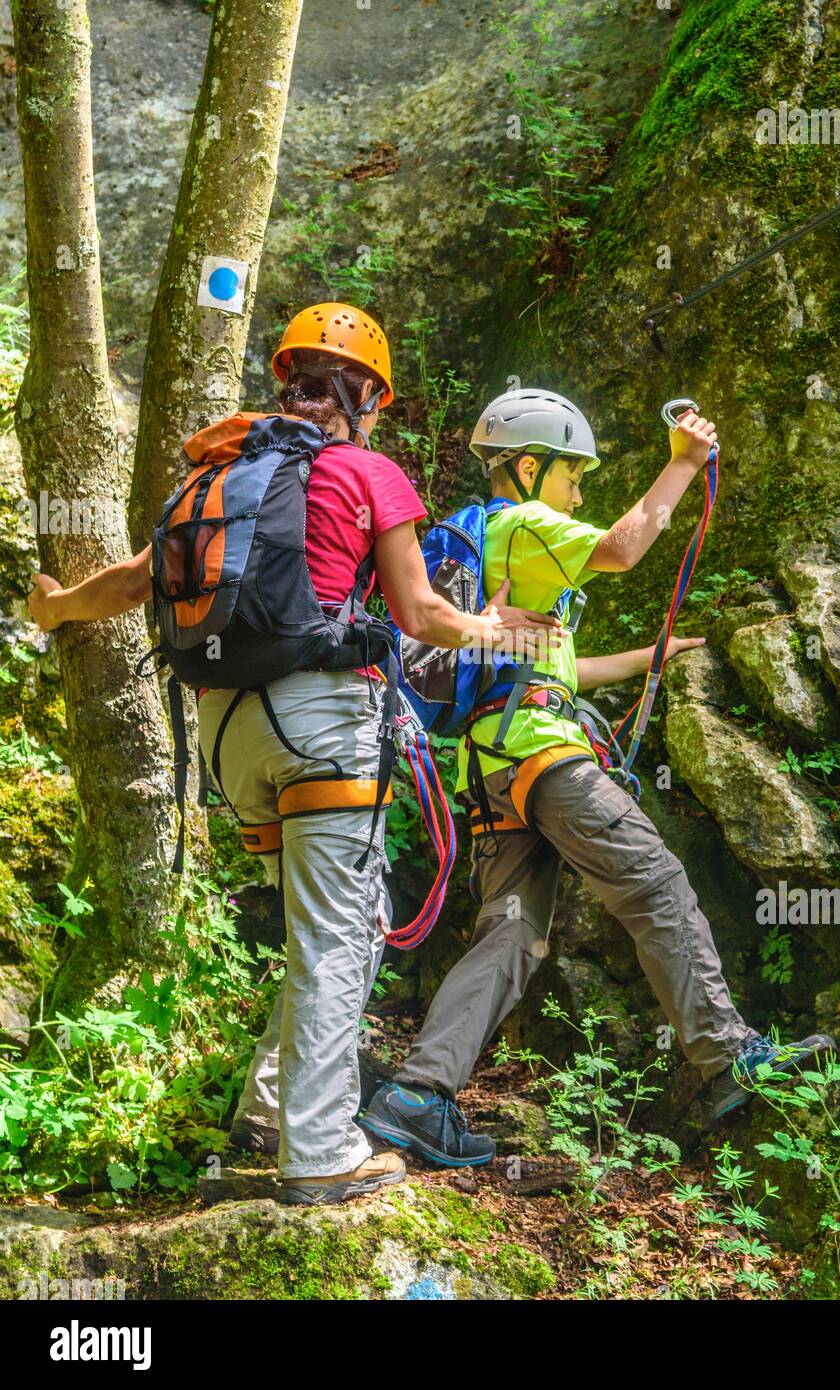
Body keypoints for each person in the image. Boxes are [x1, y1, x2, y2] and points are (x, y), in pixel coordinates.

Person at [26, 309, 560, 1205]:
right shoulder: (367, 472)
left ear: (288, 386)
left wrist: (51, 610)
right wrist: (493, 627)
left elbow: (129, 582)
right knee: (341, 932)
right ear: (371, 397)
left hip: (224, 732)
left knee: (318, 930)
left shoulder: (222, 478)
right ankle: (319, 1154)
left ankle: (269, 1112)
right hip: (319, 723)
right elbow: (422, 615)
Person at [360, 388, 835, 1164]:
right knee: (653, 881)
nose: (578, 491)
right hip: (544, 755)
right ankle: (725, 1051)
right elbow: (623, 543)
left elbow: (561, 665)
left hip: (490, 768)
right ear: (524, 467)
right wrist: (682, 464)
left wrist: (656, 656)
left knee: (509, 937)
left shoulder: (506, 553)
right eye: (570, 475)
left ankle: (417, 1094)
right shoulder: (521, 523)